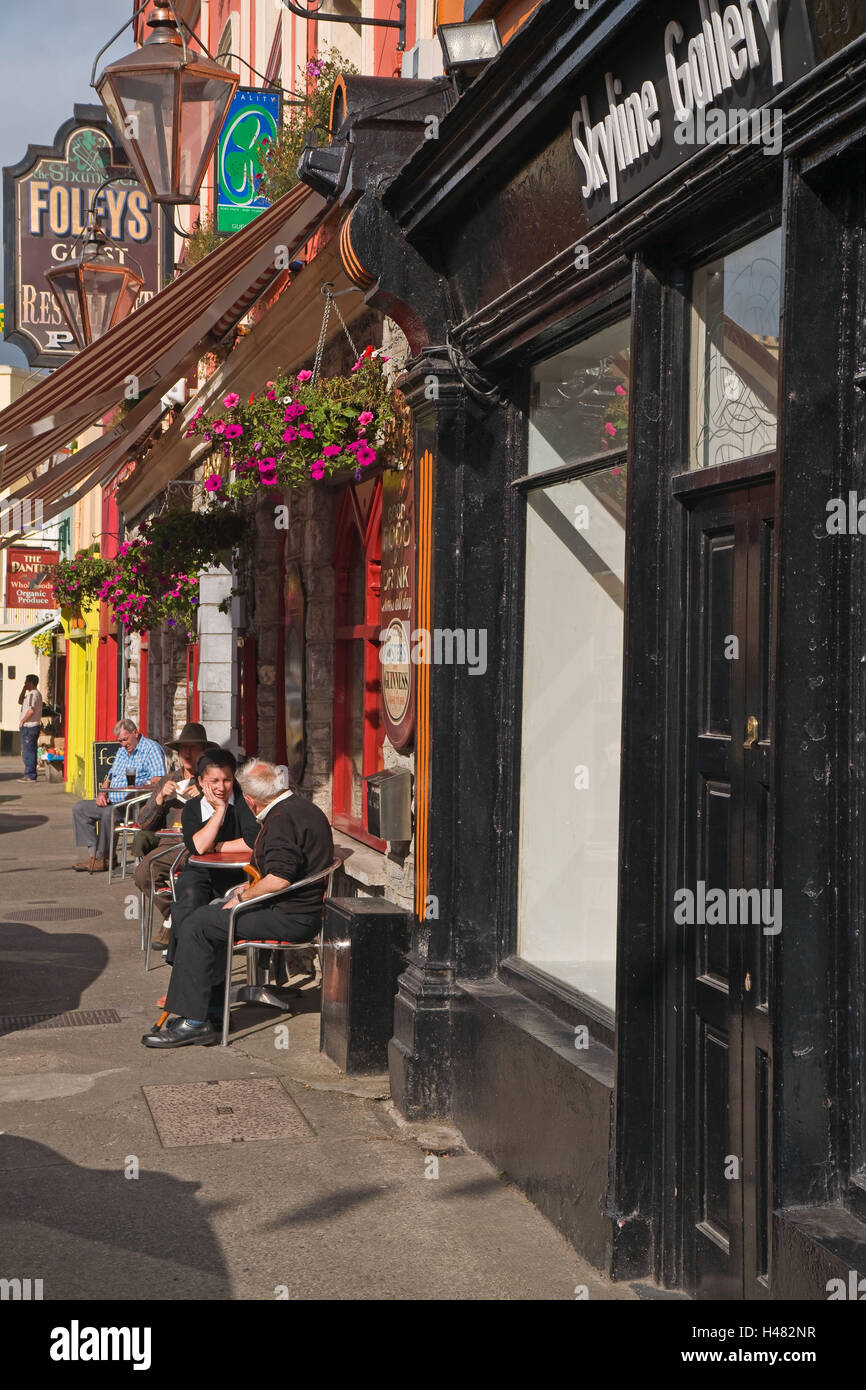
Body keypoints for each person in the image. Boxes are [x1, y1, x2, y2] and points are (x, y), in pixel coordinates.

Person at [143, 759, 334, 1048]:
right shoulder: (300, 807)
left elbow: (280, 878)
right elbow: (279, 872)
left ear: (249, 799)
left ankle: (195, 1022)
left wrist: (243, 898)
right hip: (293, 909)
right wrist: (244, 890)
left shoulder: (282, 818)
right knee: (209, 916)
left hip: (291, 917)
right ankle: (211, 1013)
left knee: (197, 924)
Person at [163, 749, 259, 965]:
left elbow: (253, 842)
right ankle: (183, 968)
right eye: (213, 780)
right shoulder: (192, 808)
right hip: (201, 872)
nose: (221, 787)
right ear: (200, 781)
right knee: (188, 897)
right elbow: (198, 846)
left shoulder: (244, 803)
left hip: (238, 874)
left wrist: (216, 846)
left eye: (226, 780)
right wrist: (220, 811)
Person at [131, 723, 213, 945]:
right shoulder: (169, 780)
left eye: (194, 748)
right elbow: (143, 822)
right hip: (170, 844)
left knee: (194, 882)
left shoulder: (212, 779)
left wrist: (206, 795)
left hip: (202, 845)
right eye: (183, 748)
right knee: (142, 873)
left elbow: (228, 812)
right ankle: (173, 915)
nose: (187, 753)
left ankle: (178, 922)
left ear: (204, 752)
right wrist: (159, 799)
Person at [71, 718, 166, 873]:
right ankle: (95, 856)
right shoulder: (122, 751)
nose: (123, 744)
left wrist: (138, 788)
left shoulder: (151, 748)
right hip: (112, 799)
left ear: (135, 732)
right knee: (80, 808)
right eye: (120, 741)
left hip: (134, 803)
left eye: (125, 739)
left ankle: (104, 857)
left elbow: (158, 779)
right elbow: (110, 775)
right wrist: (102, 791)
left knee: (110, 812)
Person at [17, 675, 43, 783]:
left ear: (31, 682)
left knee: (29, 751)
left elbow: (31, 710)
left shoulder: (33, 694)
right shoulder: (29, 694)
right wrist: (23, 690)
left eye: (26, 682)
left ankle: (30, 775)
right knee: (28, 750)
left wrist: (23, 721)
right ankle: (29, 773)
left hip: (30, 726)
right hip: (29, 726)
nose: (25, 683)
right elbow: (19, 701)